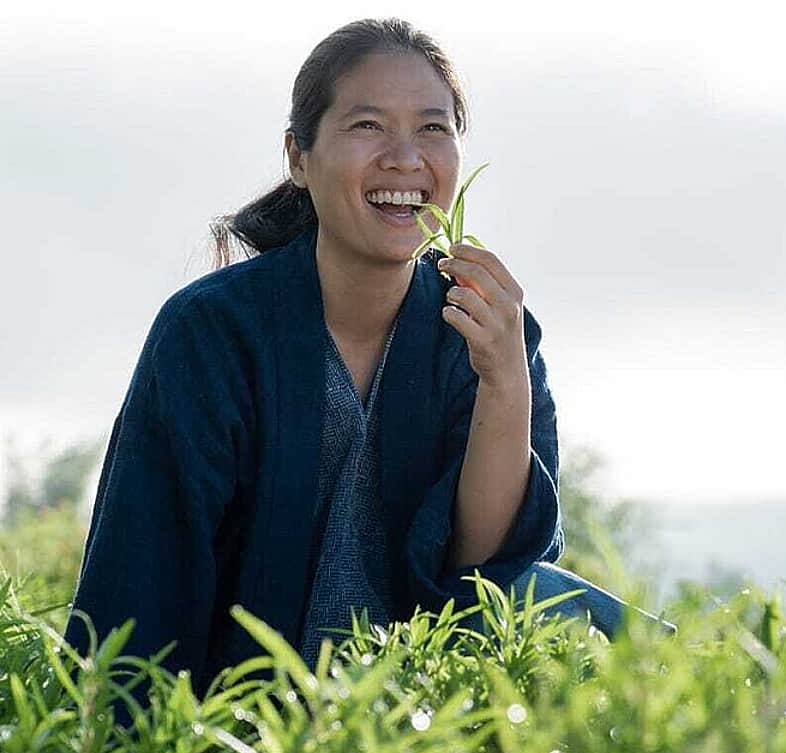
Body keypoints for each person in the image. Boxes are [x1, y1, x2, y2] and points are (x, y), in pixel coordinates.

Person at [64, 18, 672, 701]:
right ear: (299, 158)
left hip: (424, 711)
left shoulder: (488, 325)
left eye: (433, 128)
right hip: (247, 724)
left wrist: (503, 378)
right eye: (367, 126)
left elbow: (488, 577)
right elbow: (141, 588)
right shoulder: (212, 333)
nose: (405, 159)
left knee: (581, 617)